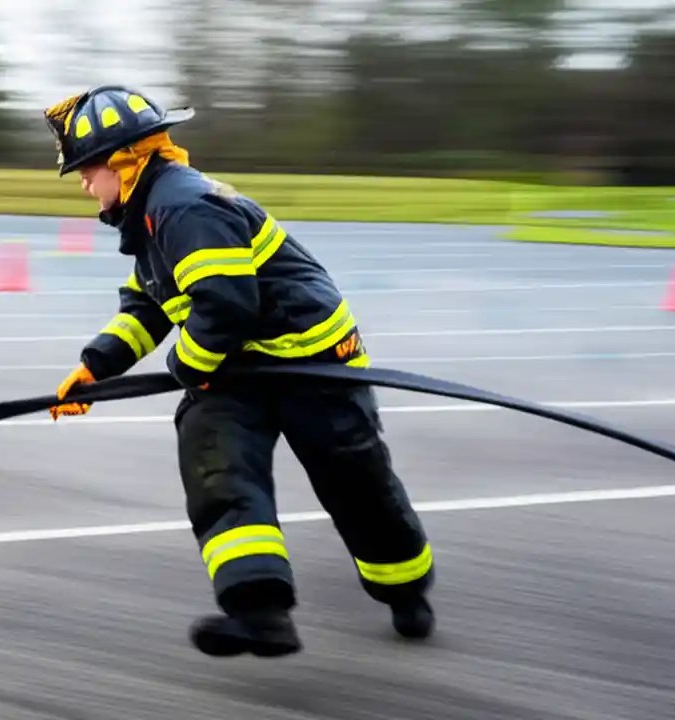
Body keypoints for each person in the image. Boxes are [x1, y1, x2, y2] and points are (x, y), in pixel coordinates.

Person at [43, 85, 436, 658]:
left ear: (126, 161)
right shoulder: (149, 219)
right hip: (238, 363)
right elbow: (149, 306)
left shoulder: (182, 208)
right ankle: (259, 614)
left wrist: (186, 366)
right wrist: (93, 369)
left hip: (311, 363)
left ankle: (405, 590)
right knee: (216, 463)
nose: (83, 183)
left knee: (356, 483)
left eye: (88, 169)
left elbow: (226, 303)